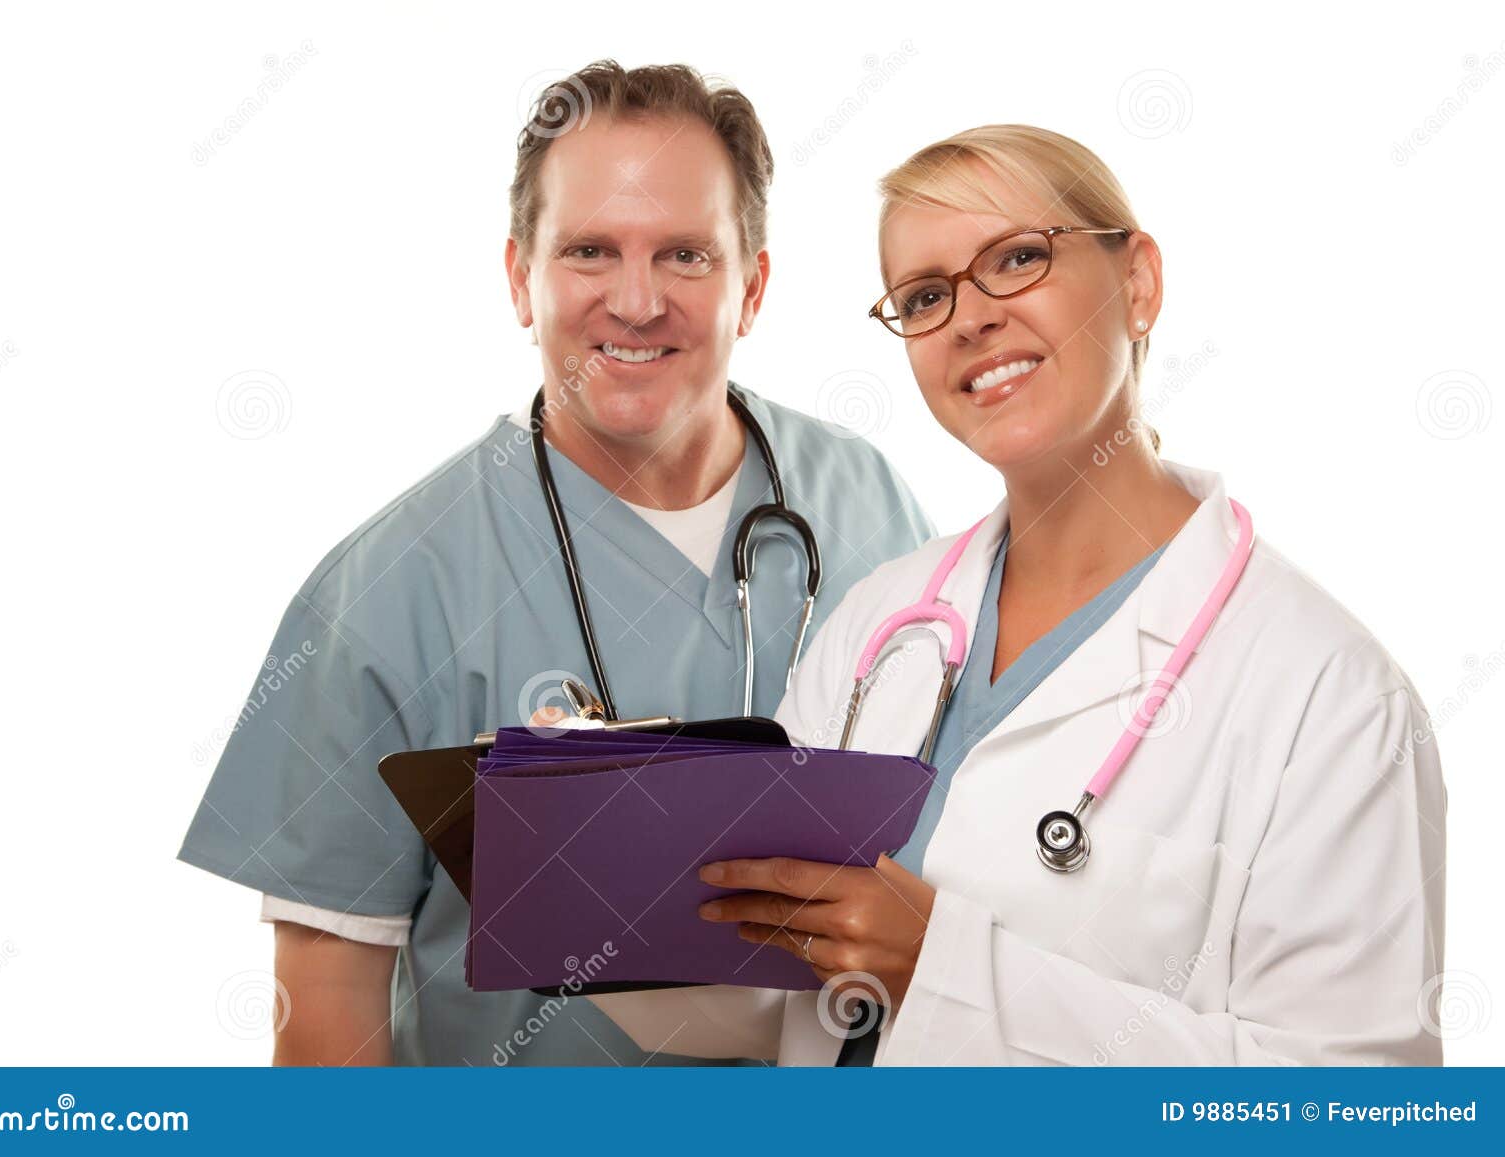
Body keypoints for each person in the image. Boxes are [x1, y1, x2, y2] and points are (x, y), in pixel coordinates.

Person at [593, 124, 1447, 1066]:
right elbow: (773, 998)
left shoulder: (1330, 696)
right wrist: (605, 880)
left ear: (1140, 285)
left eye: (1017, 258)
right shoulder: (878, 626)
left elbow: (1358, 1102)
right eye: (925, 296)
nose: (969, 318)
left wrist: (949, 970)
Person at [175, 61, 932, 1066]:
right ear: (518, 278)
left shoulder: (870, 502)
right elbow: (325, 1036)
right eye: (588, 250)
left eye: (685, 255)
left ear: (751, 286)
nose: (635, 298)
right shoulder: (390, 589)